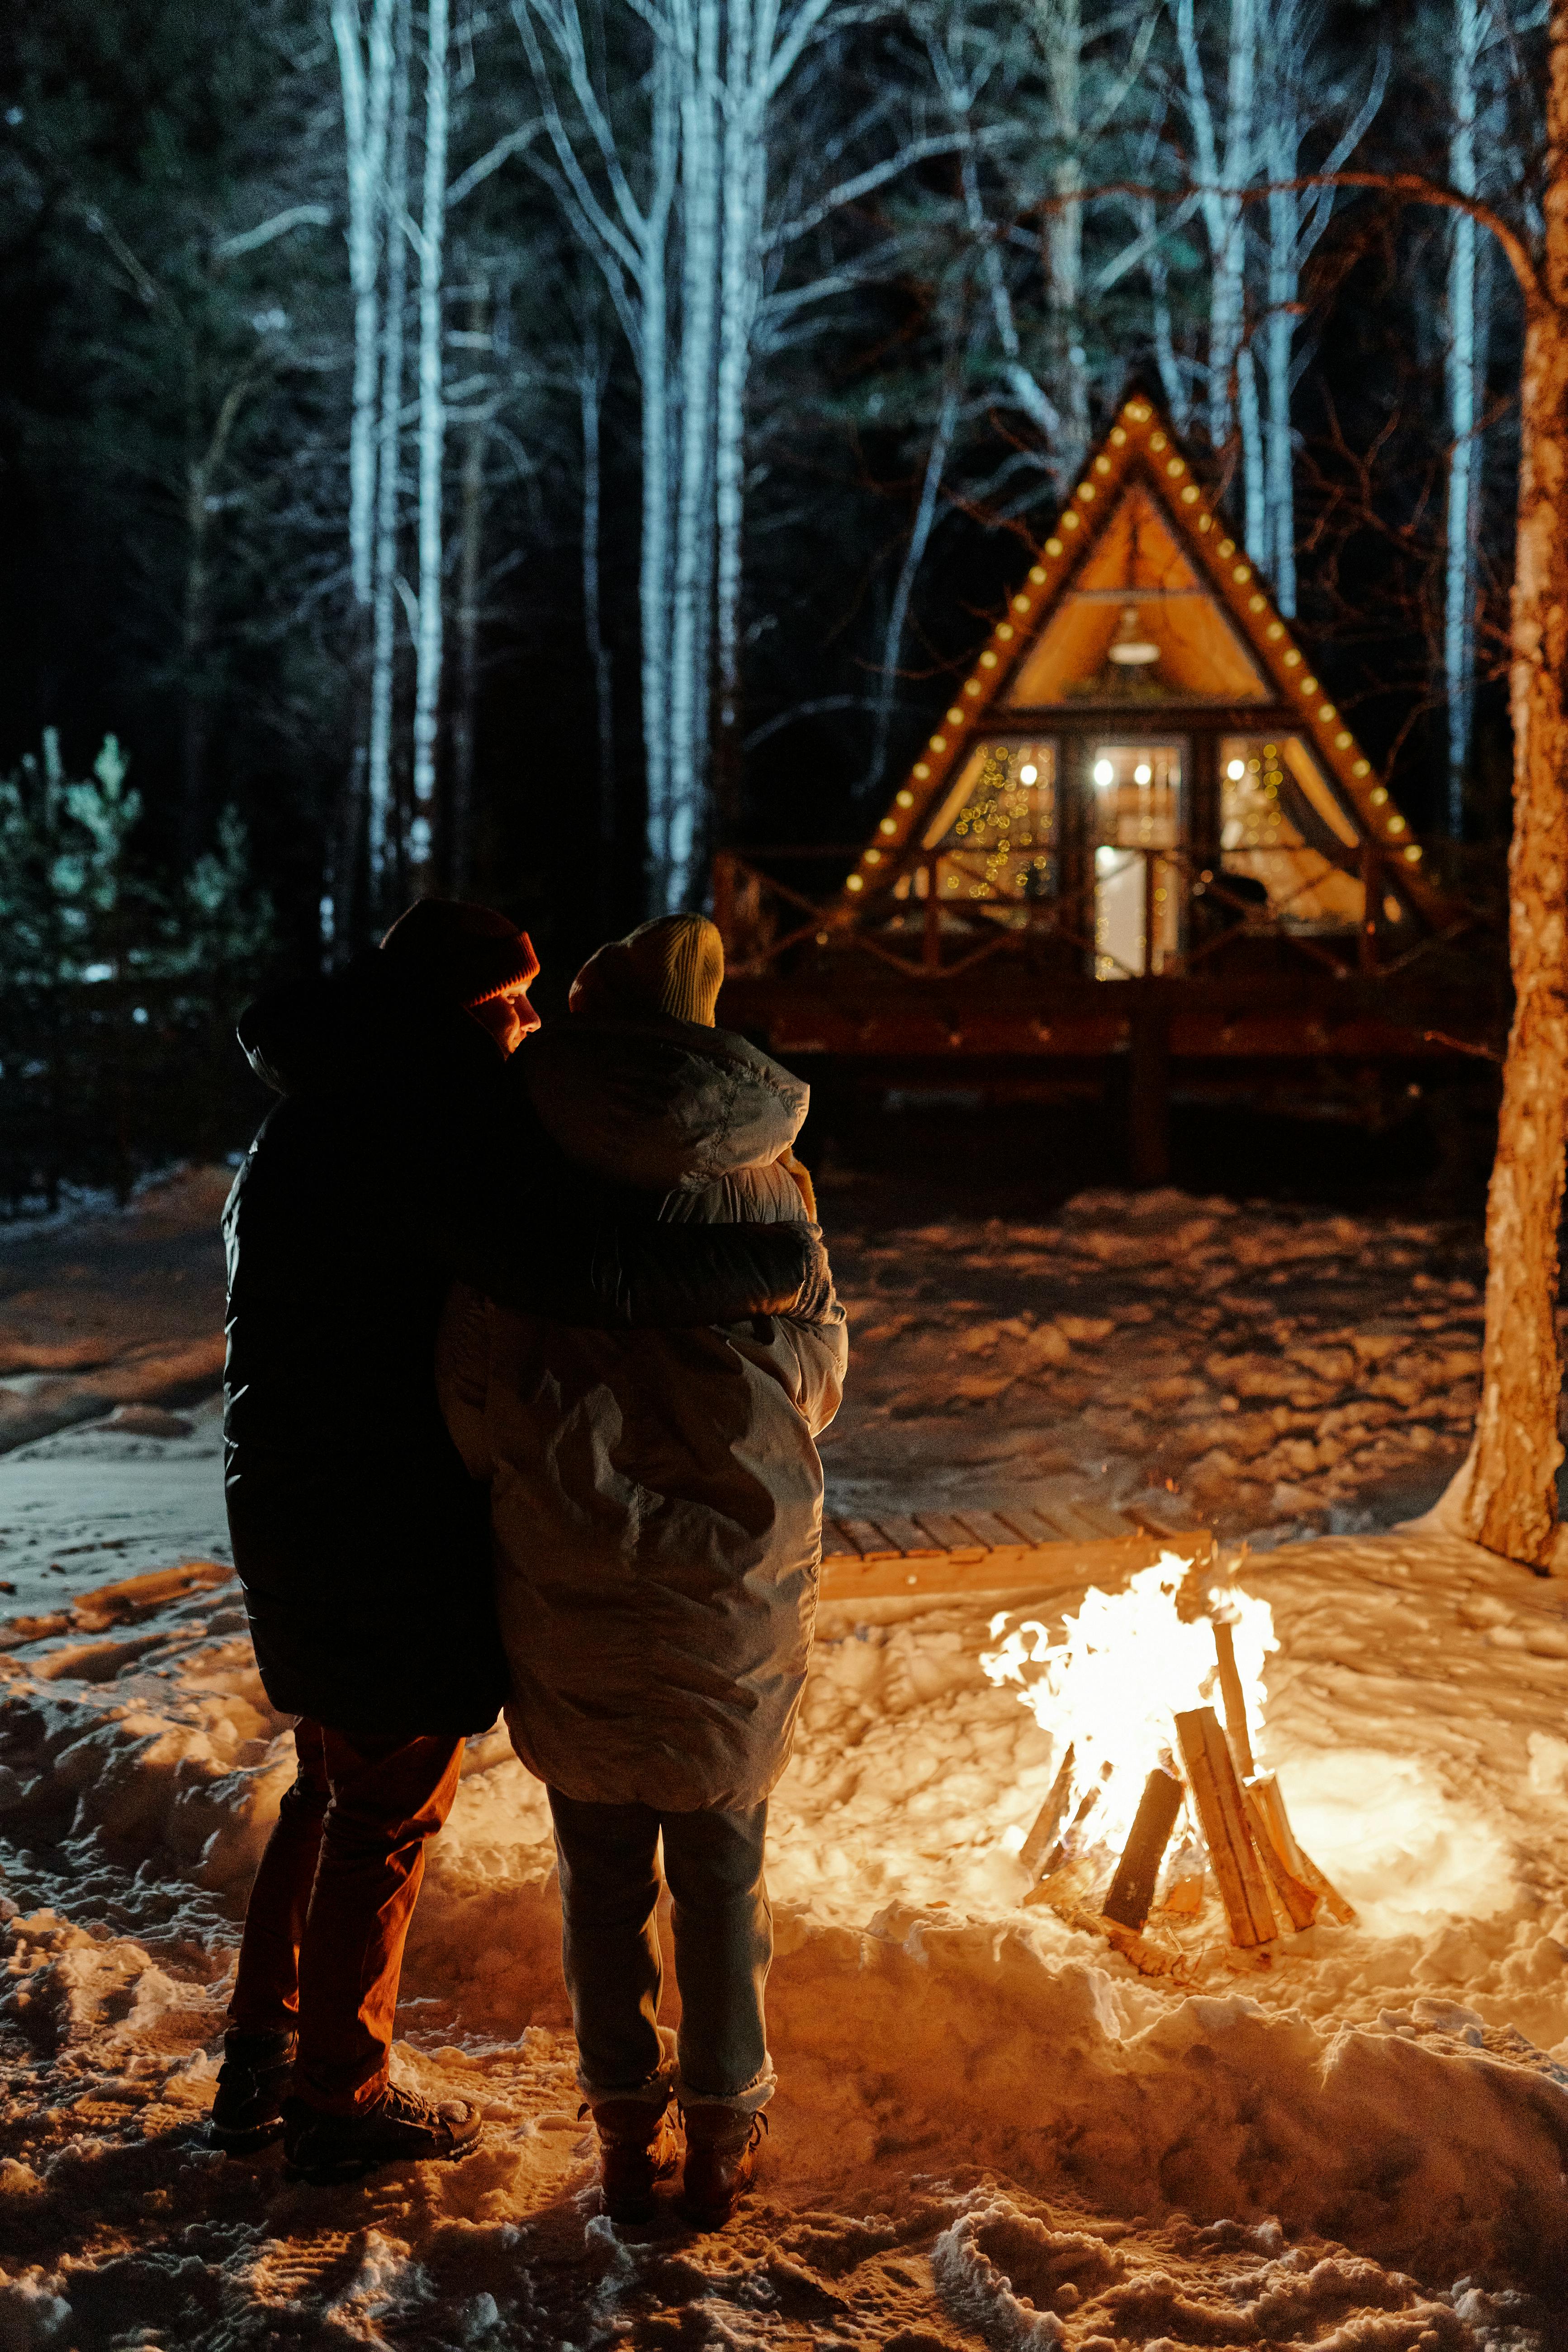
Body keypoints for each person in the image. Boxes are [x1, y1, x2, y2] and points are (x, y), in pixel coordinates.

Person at [212, 900, 824, 2186]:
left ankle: (265, 2053)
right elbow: (568, 1280)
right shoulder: (419, 1125)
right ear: (454, 1015)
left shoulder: (325, 1107)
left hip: (302, 1496)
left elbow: (484, 1339)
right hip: (377, 1514)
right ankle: (336, 2092)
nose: (531, 1025)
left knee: (336, 1783)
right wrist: (765, 1270)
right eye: (508, 1005)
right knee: (385, 1808)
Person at [438, 913, 847, 2229]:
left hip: (568, 1559)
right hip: (733, 1574)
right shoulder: (772, 1177)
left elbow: (472, 1381)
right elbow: (818, 1374)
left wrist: (538, 1467)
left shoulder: (525, 1162)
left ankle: (623, 2130)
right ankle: (722, 2135)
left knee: (600, 1873)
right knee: (722, 1870)